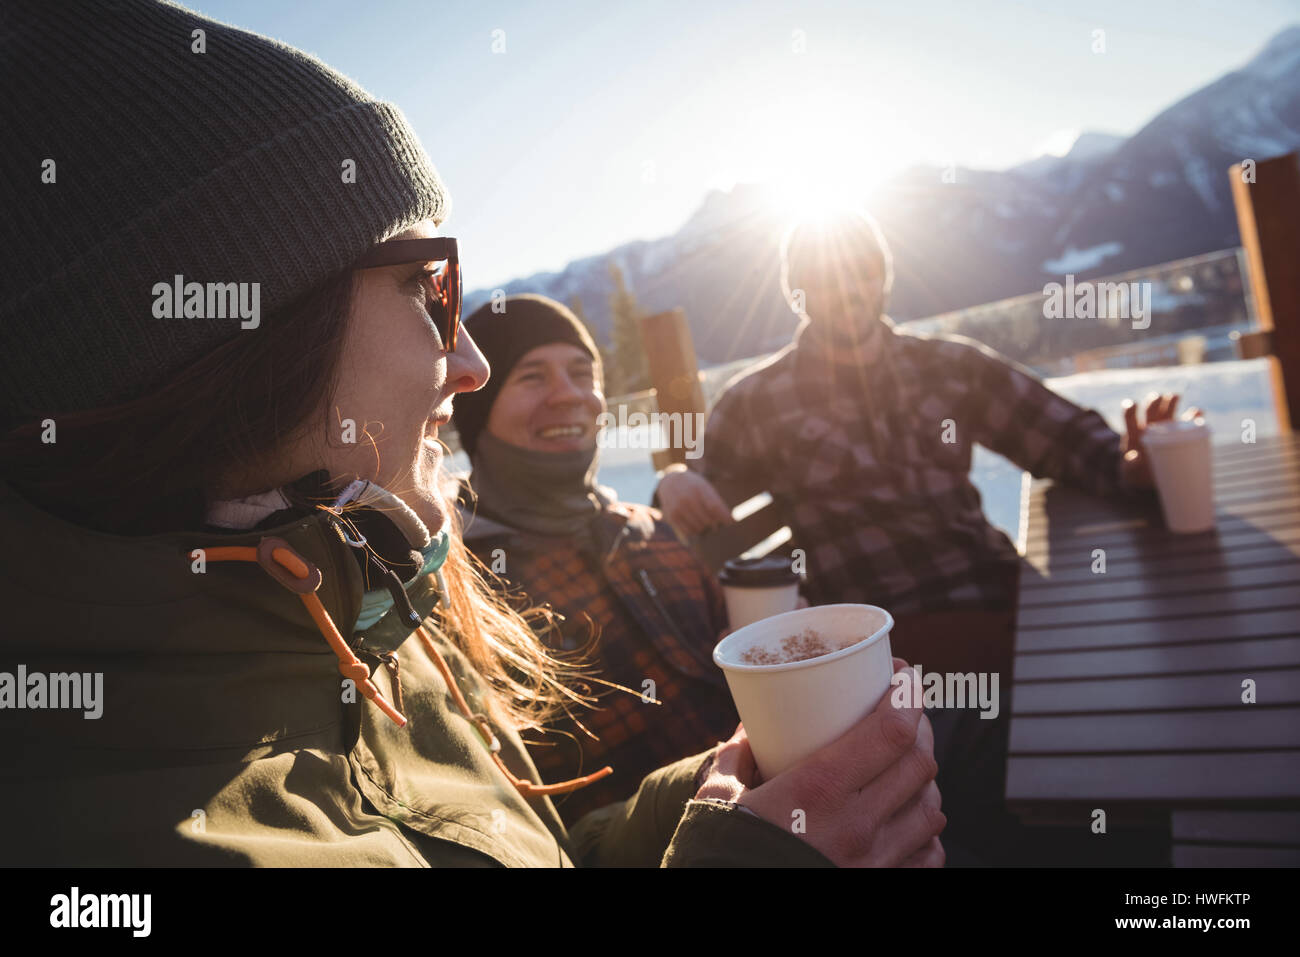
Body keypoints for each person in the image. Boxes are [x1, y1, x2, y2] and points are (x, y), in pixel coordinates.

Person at [0, 0, 945, 868]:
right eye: (424, 287)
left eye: (586, 375)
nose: (470, 363)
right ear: (251, 344)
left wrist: (698, 810)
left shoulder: (367, 613)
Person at [653, 207, 1197, 864]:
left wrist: (1127, 464)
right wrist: (675, 480)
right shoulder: (762, 400)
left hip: (1007, 610)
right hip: (887, 648)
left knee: (1145, 713)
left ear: (883, 275)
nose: (848, 290)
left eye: (862, 271)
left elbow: (1061, 437)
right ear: (799, 291)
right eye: (826, 278)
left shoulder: (949, 367)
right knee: (1063, 765)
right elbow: (698, 491)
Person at [449, 295, 740, 825]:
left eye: (583, 374)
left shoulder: (650, 533)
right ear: (477, 409)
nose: (569, 396)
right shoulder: (459, 583)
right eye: (532, 377)